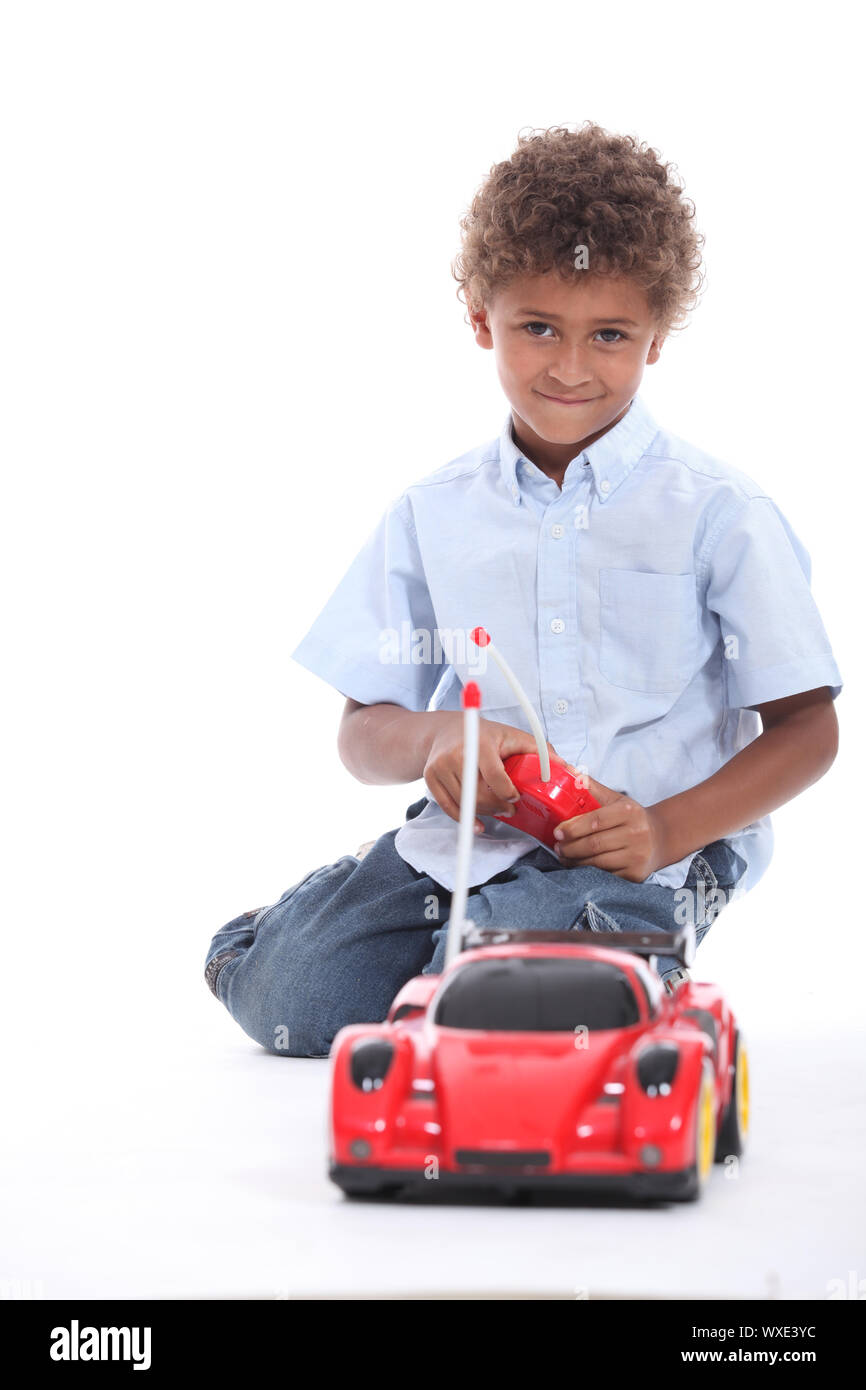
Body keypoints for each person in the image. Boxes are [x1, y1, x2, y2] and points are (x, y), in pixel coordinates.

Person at [204, 122, 842, 1057]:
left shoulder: (719, 510)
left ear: (656, 336)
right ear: (480, 320)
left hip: (646, 850)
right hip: (470, 840)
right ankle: (338, 929)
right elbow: (361, 731)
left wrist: (666, 830)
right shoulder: (432, 512)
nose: (571, 366)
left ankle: (549, 947)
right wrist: (437, 739)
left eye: (610, 335)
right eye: (537, 327)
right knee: (289, 1005)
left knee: (513, 1015)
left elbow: (807, 728)